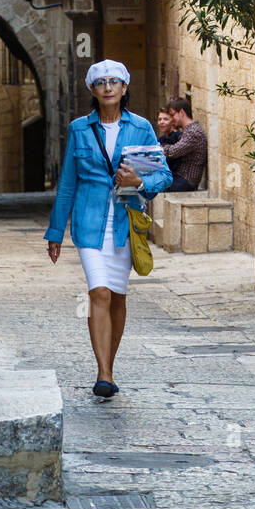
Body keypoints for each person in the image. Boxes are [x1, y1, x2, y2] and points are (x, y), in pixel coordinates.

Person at [44, 60, 172, 399]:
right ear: (92, 90)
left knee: (117, 296)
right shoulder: (80, 130)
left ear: (125, 88)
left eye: (114, 81)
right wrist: (56, 232)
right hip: (88, 225)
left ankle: (109, 368)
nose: (108, 87)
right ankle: (102, 373)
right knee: (98, 292)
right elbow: (68, 183)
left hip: (123, 225)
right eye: (101, 82)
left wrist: (139, 180)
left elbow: (164, 176)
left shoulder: (140, 128)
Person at [163, 95, 208, 191]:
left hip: (185, 181)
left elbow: (173, 151)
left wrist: (159, 149)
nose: (171, 119)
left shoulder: (193, 132)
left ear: (181, 113)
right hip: (180, 177)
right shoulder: (189, 130)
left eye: (173, 115)